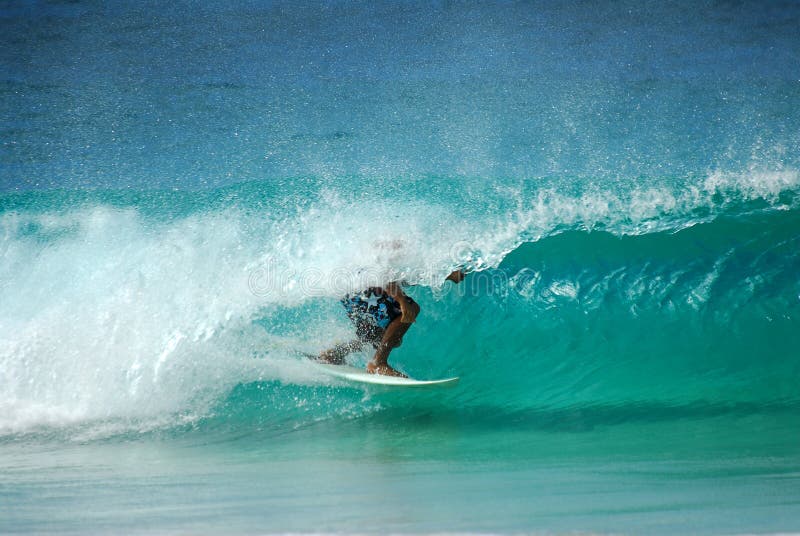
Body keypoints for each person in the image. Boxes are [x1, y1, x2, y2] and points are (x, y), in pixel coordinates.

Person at [318, 269, 466, 377]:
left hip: (349, 292)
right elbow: (386, 275)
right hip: (365, 290)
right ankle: (378, 363)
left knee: (377, 336)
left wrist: (448, 275)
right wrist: (402, 301)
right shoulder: (402, 250)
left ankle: (334, 354)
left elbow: (416, 276)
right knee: (410, 309)